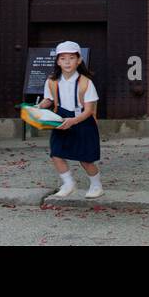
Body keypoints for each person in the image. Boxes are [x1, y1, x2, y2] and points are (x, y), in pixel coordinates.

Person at [39, 41, 103, 198]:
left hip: (82, 121)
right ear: (57, 61)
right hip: (60, 120)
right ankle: (68, 184)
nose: (67, 62)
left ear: (79, 60)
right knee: (56, 154)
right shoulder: (52, 81)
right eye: (63, 58)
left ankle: (97, 186)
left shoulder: (86, 82)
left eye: (71, 58)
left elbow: (89, 110)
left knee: (85, 159)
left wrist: (73, 121)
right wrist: (38, 108)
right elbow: (49, 99)